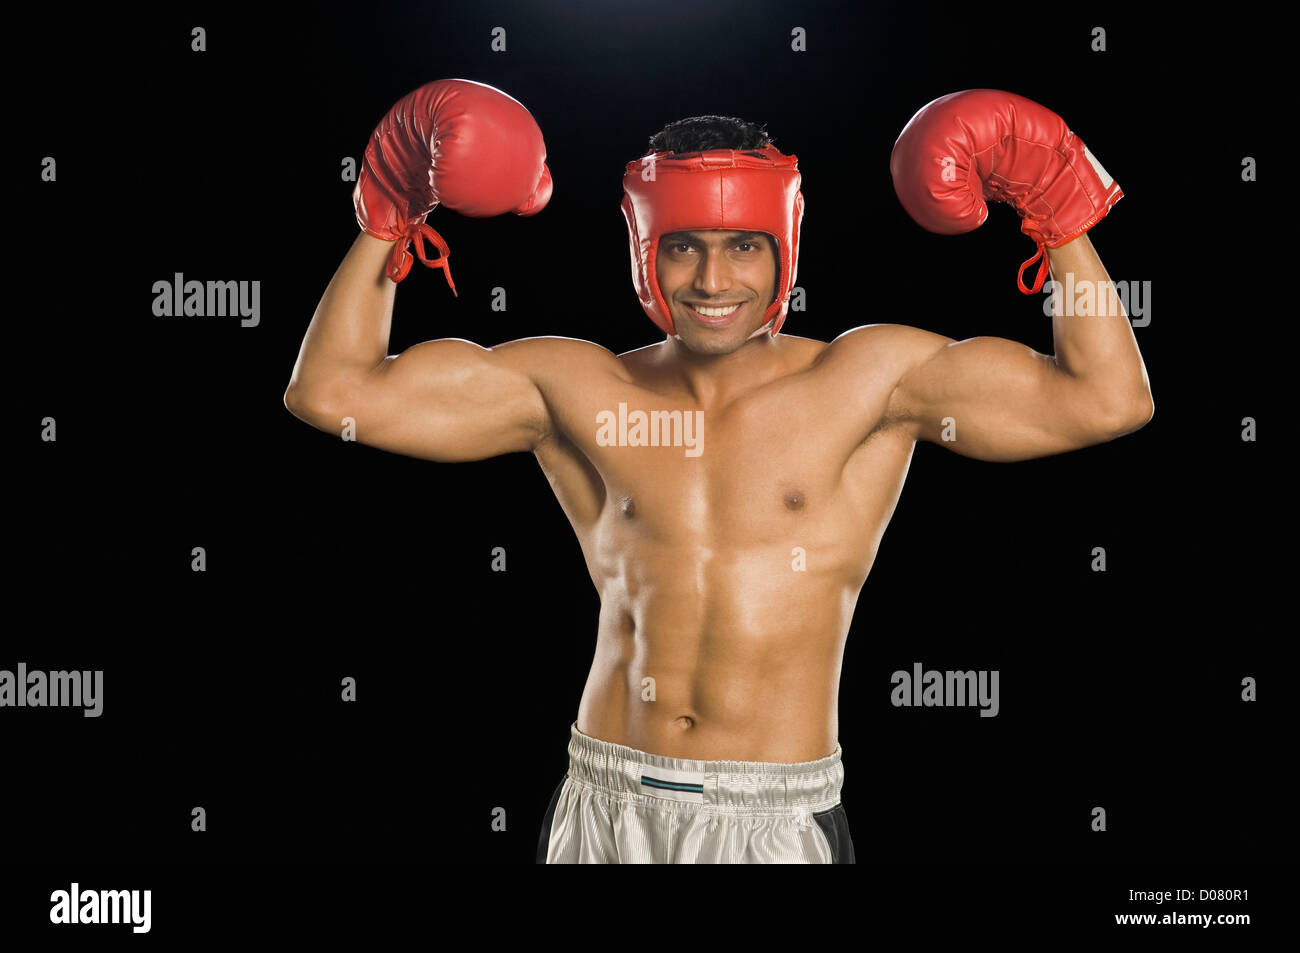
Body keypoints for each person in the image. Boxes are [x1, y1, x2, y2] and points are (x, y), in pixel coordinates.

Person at [284, 80, 1153, 864]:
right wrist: (387, 213)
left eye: (743, 245)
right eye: (683, 247)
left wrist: (1060, 211)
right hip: (606, 802)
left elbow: (1104, 400)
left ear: (785, 248)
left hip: (771, 819)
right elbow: (333, 392)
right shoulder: (575, 384)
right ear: (643, 249)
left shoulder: (870, 377)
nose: (712, 279)